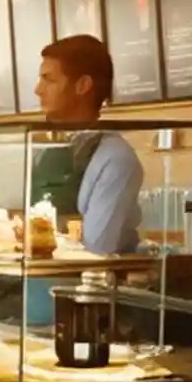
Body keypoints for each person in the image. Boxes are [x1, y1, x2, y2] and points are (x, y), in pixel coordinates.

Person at [33, 34, 142, 254]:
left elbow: (97, 249)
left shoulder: (115, 159)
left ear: (83, 85)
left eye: (49, 80)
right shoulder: (48, 150)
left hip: (85, 285)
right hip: (36, 282)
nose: (38, 90)